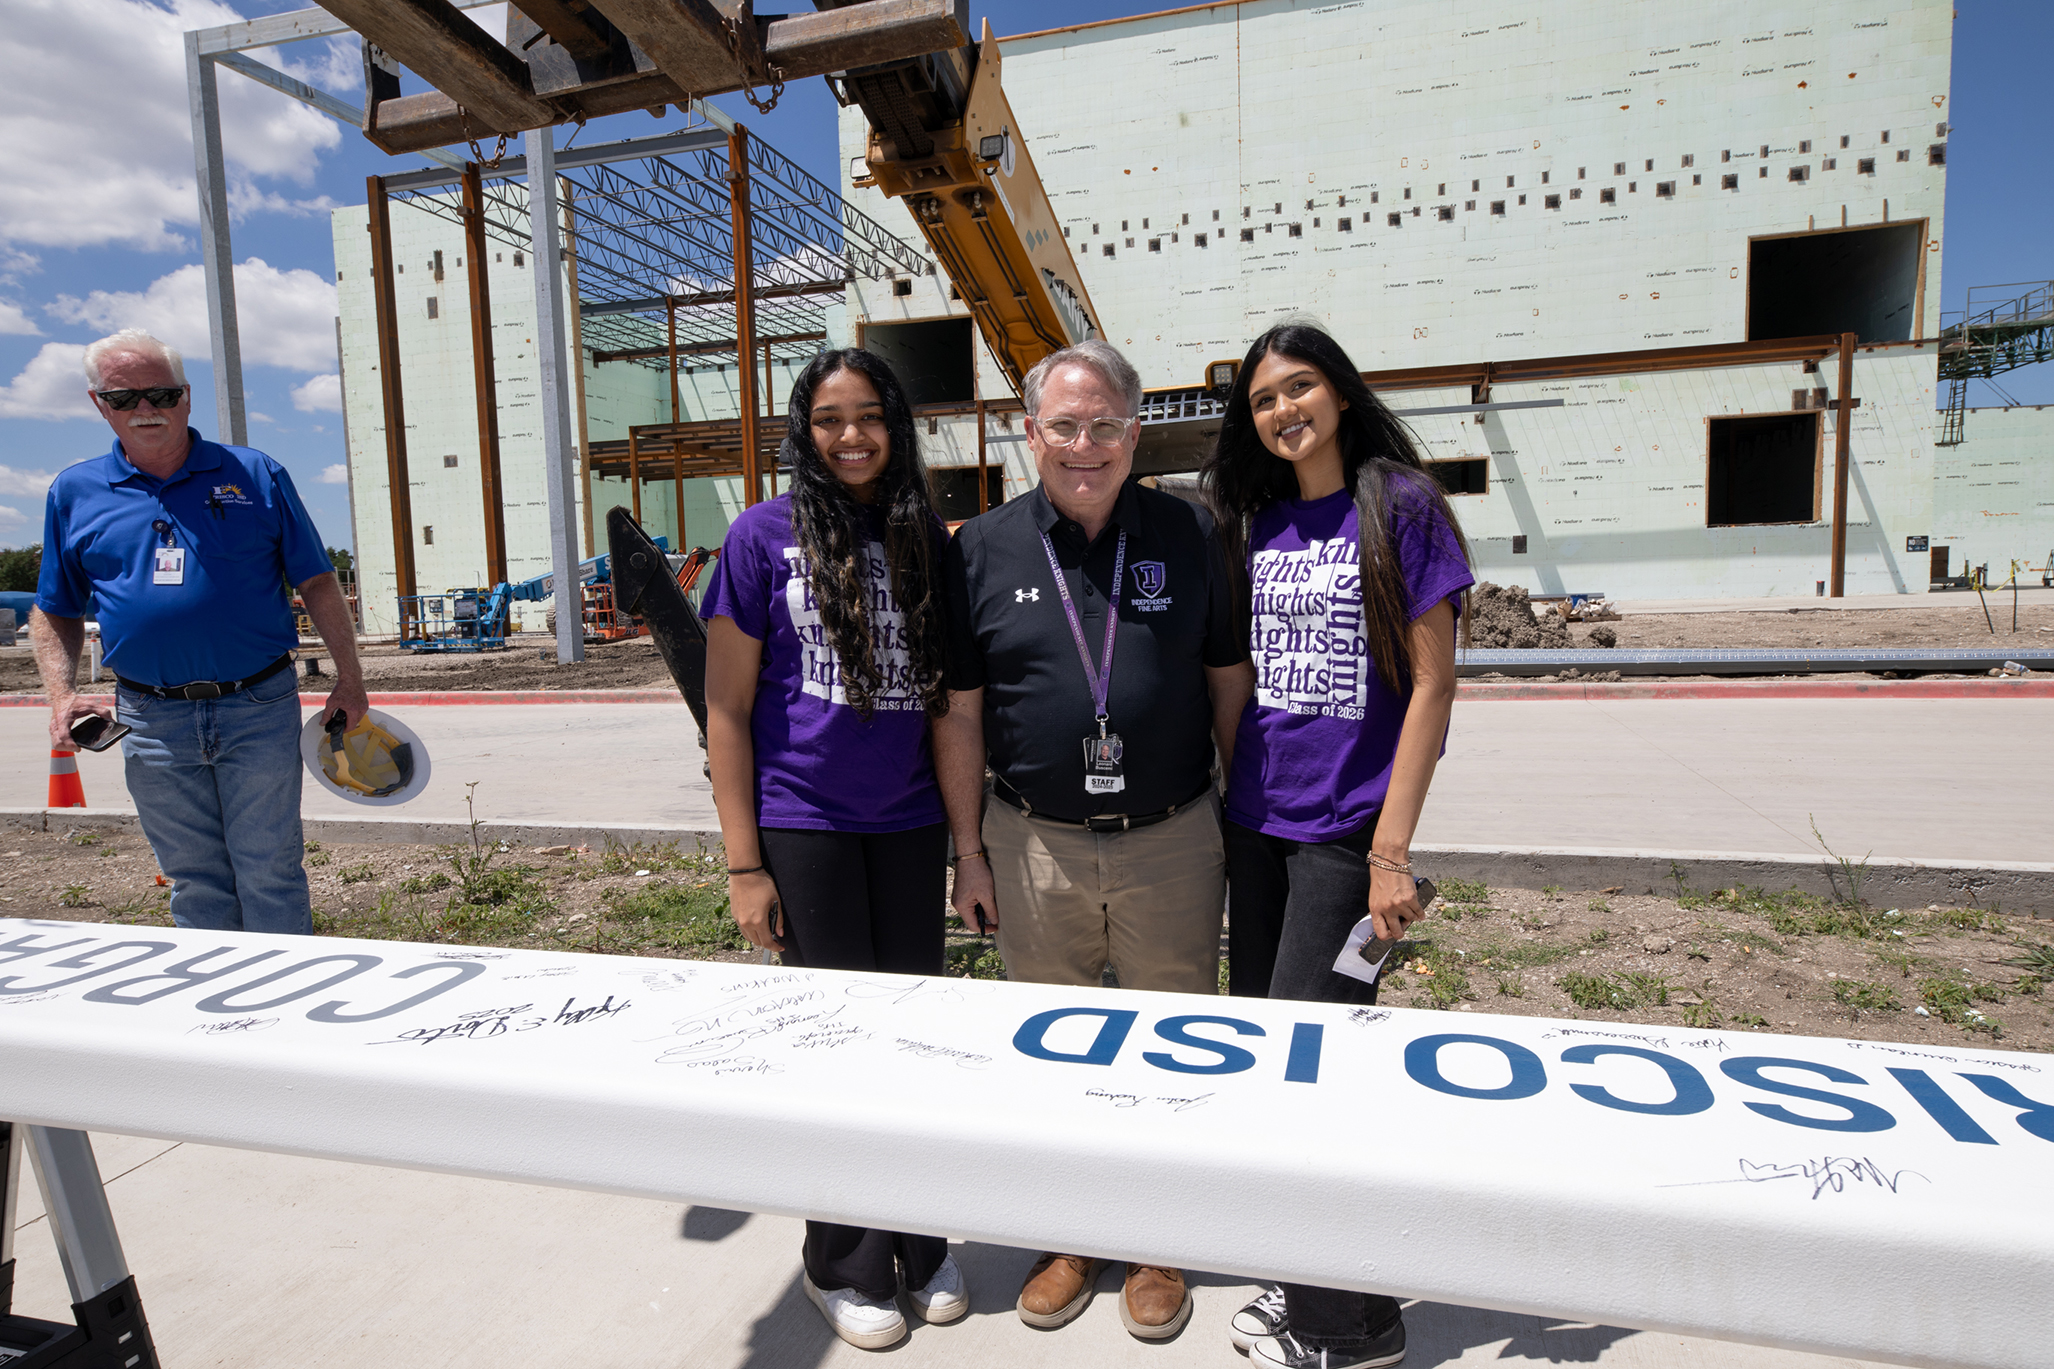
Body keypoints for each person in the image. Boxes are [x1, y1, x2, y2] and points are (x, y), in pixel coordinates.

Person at [934, 339, 1255, 1340]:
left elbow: (1226, 685)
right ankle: (1070, 1234)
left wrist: (1240, 823)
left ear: (1133, 431)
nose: (1086, 445)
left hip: (1171, 836)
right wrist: (969, 853)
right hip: (1032, 844)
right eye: (1064, 426)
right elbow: (957, 712)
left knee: (1172, 1047)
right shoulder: (978, 549)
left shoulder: (1191, 531)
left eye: (1105, 424)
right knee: (1052, 1053)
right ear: (1028, 434)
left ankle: (1157, 1241)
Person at [1200, 322, 1474, 1369]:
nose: (1282, 410)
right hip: (1257, 829)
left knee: (1308, 1071)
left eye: (1299, 387)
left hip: (1343, 837)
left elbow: (1433, 686)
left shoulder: (1397, 504)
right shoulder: (1253, 517)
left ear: (1341, 395)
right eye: (1263, 399)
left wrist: (1389, 848)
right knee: (1279, 1063)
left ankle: (1340, 1326)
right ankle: (1319, 1279)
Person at [699, 347, 967, 1351]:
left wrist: (964, 845)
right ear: (801, 432)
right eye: (827, 419)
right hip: (802, 823)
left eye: (868, 416)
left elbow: (946, 703)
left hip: (906, 825)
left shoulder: (924, 540)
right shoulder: (758, 537)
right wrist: (743, 863)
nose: (849, 436)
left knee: (914, 1046)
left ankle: (919, 1242)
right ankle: (840, 1260)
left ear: (894, 425)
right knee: (834, 1052)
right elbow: (725, 710)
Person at [32, 328, 366, 934]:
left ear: (186, 396)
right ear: (97, 404)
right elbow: (54, 608)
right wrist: (61, 697)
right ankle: (221, 1019)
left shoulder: (255, 474)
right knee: (194, 877)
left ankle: (282, 1010)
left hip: (257, 706)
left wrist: (350, 679)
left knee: (270, 870)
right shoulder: (74, 492)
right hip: (150, 718)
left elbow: (317, 581)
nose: (145, 410)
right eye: (123, 397)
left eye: (159, 394)